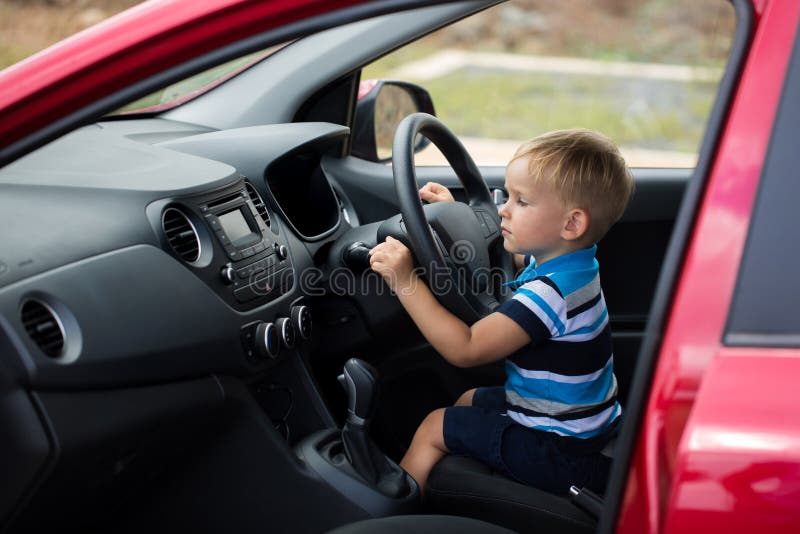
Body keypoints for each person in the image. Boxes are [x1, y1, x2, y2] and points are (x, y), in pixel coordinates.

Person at [368, 128, 634, 495]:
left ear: (571, 224)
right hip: (581, 427)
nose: (504, 209)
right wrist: (456, 218)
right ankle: (453, 488)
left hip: (561, 449)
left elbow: (466, 348)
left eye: (521, 202)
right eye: (507, 196)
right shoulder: (571, 265)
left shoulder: (549, 294)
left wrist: (405, 281)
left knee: (434, 426)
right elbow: (506, 250)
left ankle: (394, 508)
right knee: (467, 400)